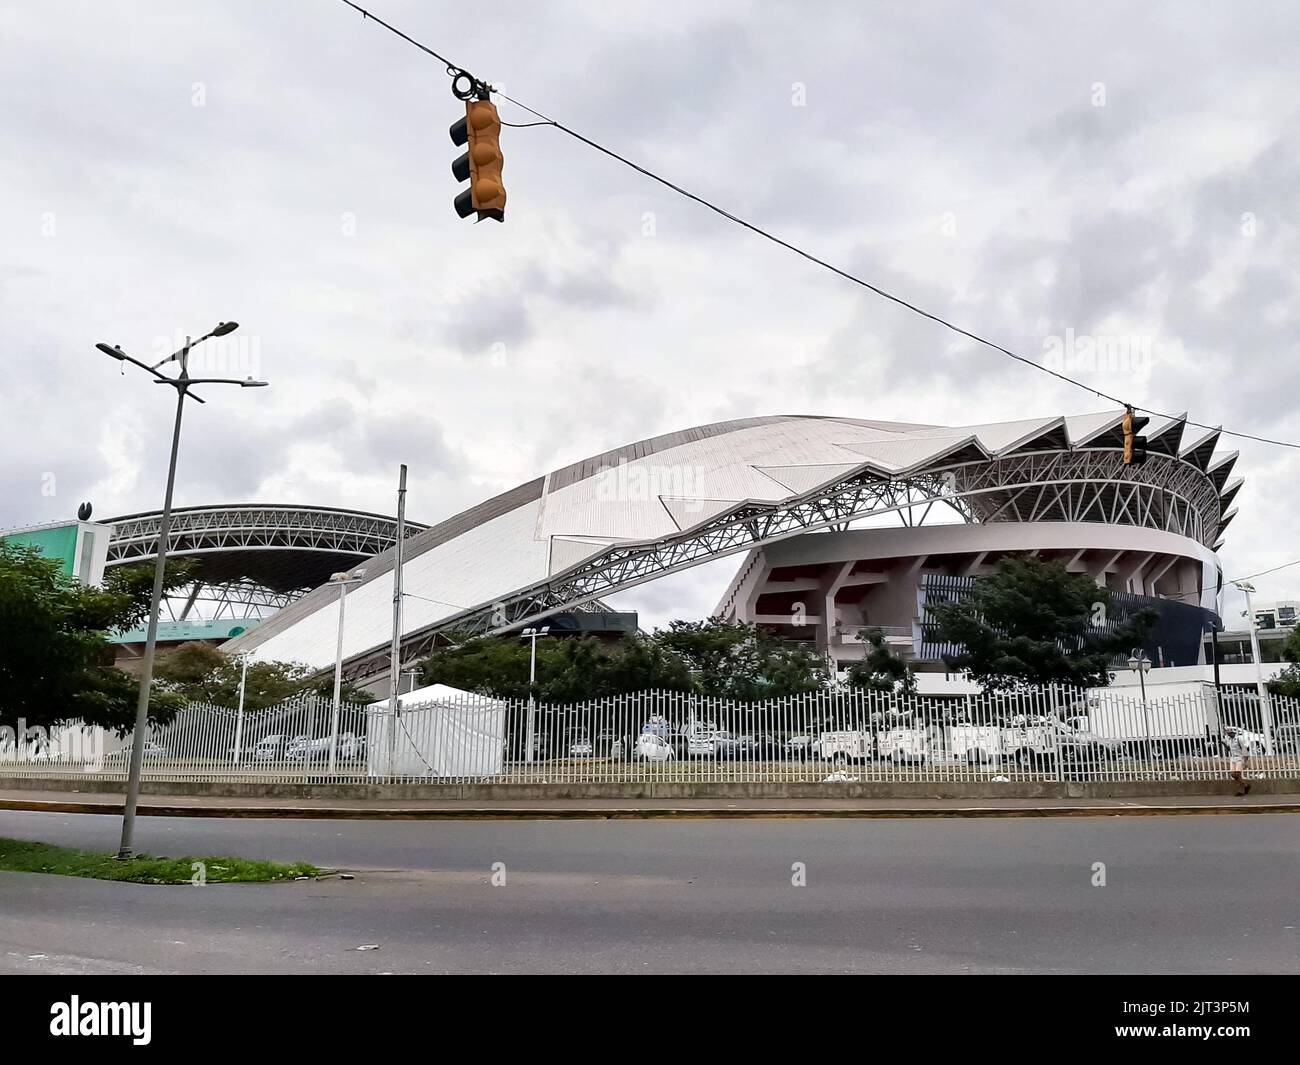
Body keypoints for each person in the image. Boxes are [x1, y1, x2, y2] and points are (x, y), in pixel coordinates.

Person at [1224, 726, 1251, 796]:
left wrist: (1245, 760)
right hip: (1233, 759)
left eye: (1229, 733)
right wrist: (1224, 744)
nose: (1228, 734)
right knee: (1233, 775)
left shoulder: (1239, 739)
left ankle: (1241, 790)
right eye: (1227, 733)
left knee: (1237, 774)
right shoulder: (1230, 740)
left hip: (1239, 758)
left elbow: (1244, 749)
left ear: (1233, 733)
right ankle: (1245, 786)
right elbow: (1229, 748)